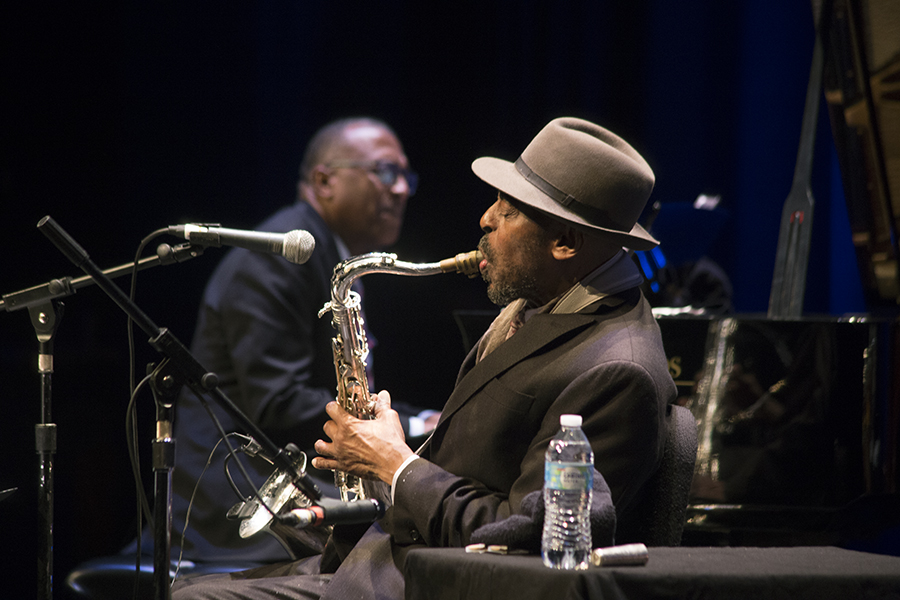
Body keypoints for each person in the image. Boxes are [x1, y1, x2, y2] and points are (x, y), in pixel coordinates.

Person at [172, 116, 677, 599]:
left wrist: (395, 463)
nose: (485, 218)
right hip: (388, 556)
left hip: (426, 580)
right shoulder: (542, 304)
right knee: (183, 593)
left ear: (565, 241)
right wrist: (385, 458)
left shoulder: (619, 370)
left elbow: (525, 539)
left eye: (508, 210)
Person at [160, 117, 438, 564]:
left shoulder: (334, 258)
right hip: (235, 495)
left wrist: (418, 420)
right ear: (324, 182)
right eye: (386, 172)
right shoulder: (277, 260)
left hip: (279, 473)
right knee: (399, 538)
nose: (402, 189)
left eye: (406, 176)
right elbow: (279, 403)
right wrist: (410, 427)